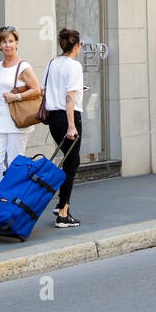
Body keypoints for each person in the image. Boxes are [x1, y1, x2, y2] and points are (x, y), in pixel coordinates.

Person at [0, 26, 41, 185]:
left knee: (14, 162)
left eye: (11, 41)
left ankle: (11, 197)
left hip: (17, 119)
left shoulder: (23, 66)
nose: (8, 45)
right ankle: (5, 190)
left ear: (16, 43)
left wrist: (16, 96)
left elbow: (36, 90)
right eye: (4, 42)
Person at [44, 28, 86, 226]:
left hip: (53, 117)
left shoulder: (53, 63)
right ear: (76, 45)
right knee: (71, 165)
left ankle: (61, 202)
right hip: (69, 117)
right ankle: (63, 213)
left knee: (70, 161)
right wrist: (71, 125)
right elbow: (70, 97)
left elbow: (47, 90)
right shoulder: (74, 66)